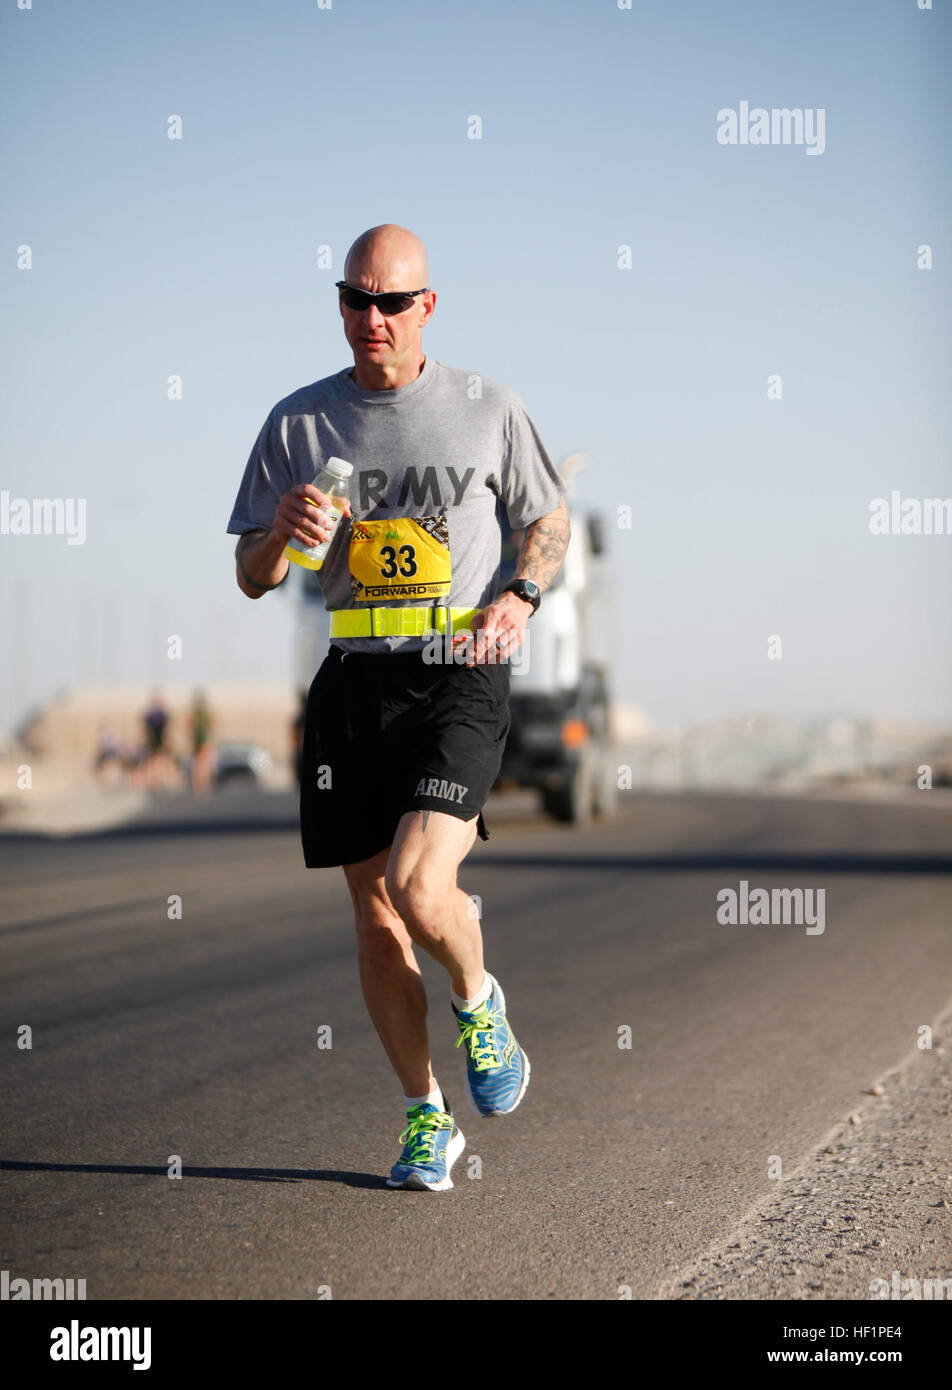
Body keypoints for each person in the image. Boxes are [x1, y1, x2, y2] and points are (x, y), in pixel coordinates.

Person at [226, 224, 570, 1191]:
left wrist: (520, 595)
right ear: (339, 303)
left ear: (426, 308)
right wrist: (278, 539)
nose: (368, 318)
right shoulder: (298, 425)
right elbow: (252, 574)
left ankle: (479, 999)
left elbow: (548, 518)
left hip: (458, 665)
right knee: (376, 918)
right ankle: (429, 1118)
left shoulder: (486, 408)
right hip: (353, 681)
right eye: (353, 299)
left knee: (424, 889)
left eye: (389, 301)